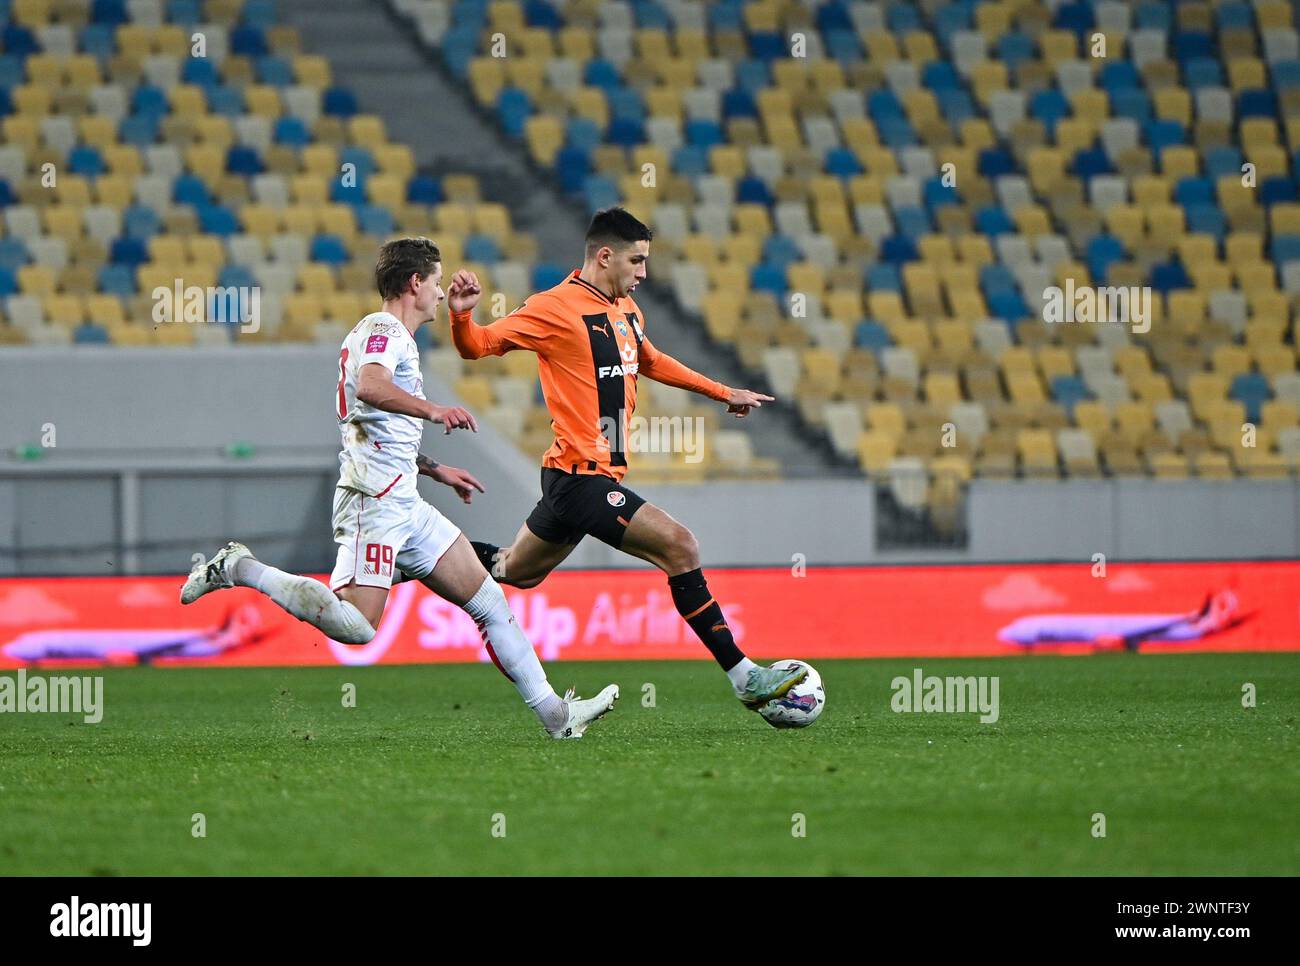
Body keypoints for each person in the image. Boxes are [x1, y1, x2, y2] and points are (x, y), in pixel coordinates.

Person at [180, 237, 617, 739]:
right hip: (373, 501)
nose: (438, 290)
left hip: (403, 499)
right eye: (435, 280)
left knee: (489, 601)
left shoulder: (387, 335)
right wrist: (433, 410)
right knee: (357, 627)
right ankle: (240, 566)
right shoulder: (385, 330)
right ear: (415, 283)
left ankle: (556, 718)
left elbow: (380, 426)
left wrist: (434, 469)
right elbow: (369, 386)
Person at [445, 207, 806, 712]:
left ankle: (413, 552)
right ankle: (746, 677)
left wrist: (723, 391)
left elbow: (652, 360)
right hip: (580, 478)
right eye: (637, 262)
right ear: (605, 255)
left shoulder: (628, 313)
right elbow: (477, 346)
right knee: (680, 547)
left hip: (573, 480)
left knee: (513, 571)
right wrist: (462, 314)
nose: (643, 273)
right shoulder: (553, 308)